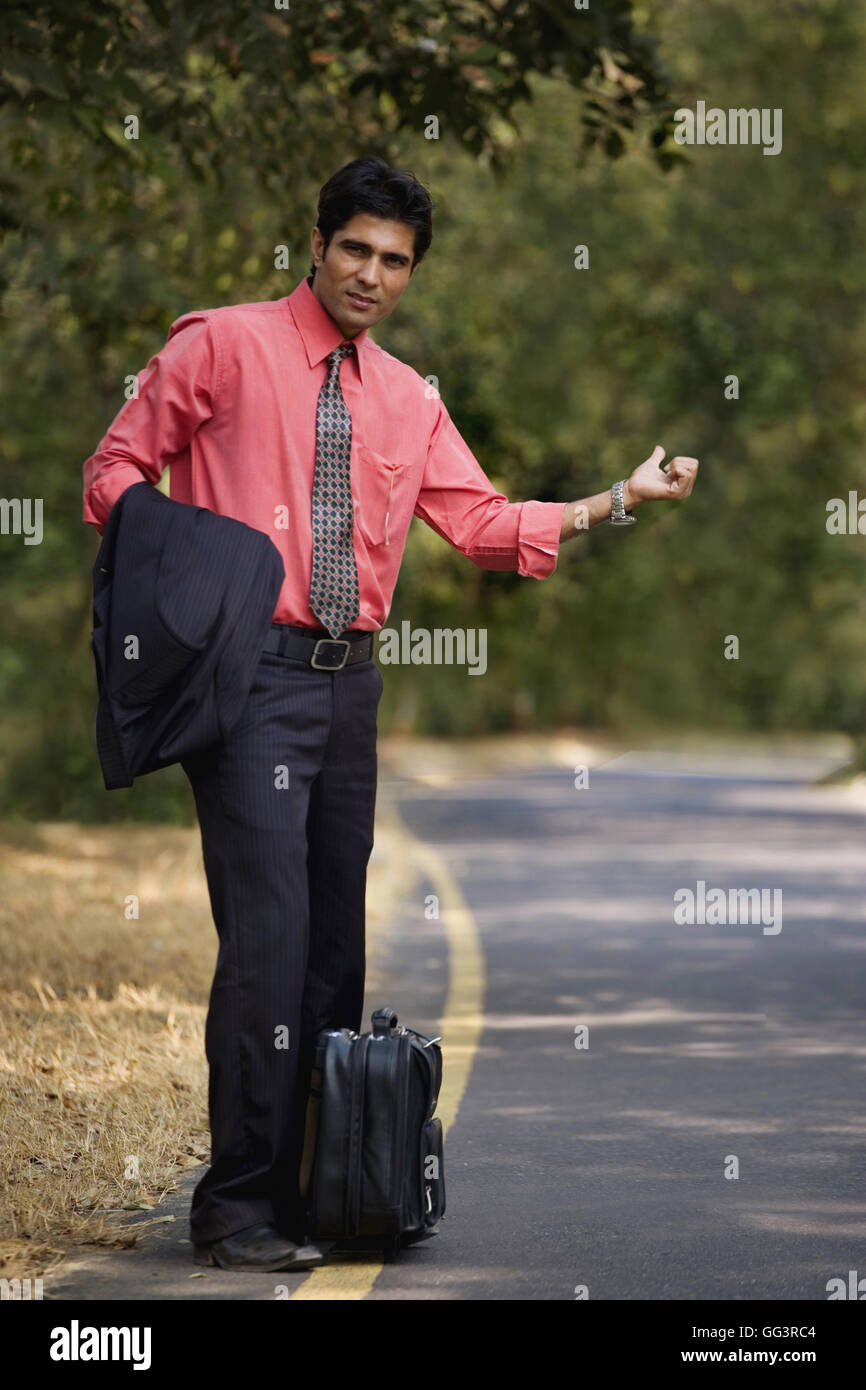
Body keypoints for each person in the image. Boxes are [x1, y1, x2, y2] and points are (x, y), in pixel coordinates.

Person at [82, 156, 699, 1274]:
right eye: (355, 249)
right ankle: (232, 1207)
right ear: (315, 246)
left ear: (411, 274)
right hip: (248, 678)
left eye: (395, 261)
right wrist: (201, 582)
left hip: (346, 682)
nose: (372, 274)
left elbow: (480, 523)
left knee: (330, 952)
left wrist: (616, 497)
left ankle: (316, 1189)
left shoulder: (409, 399)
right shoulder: (219, 343)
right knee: (265, 944)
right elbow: (114, 472)